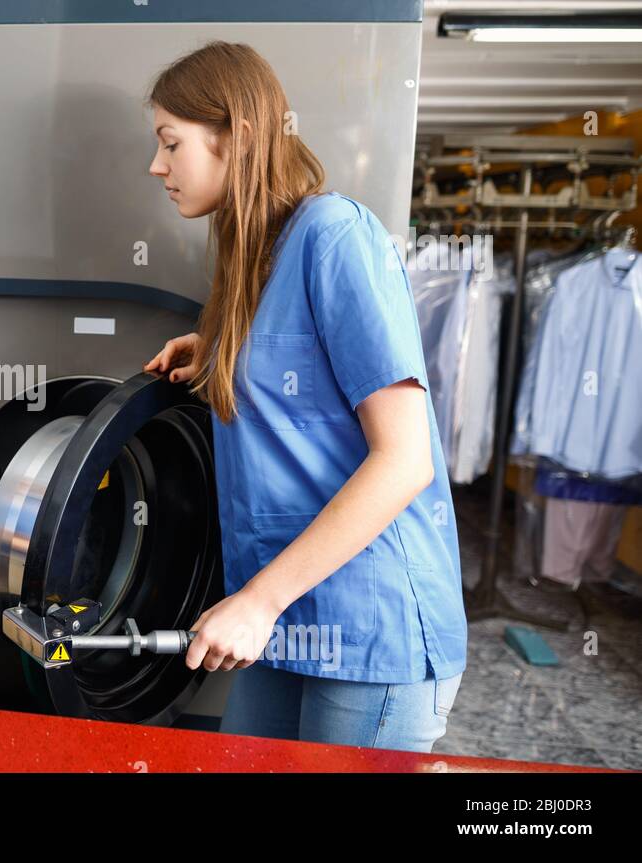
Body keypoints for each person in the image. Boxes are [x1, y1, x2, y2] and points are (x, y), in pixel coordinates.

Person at [142, 42, 466, 752]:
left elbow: (404, 458)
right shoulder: (256, 250)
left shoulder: (335, 234)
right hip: (290, 619)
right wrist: (221, 346)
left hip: (368, 628)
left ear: (241, 137)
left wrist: (258, 600)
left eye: (171, 143)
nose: (157, 166)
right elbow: (308, 368)